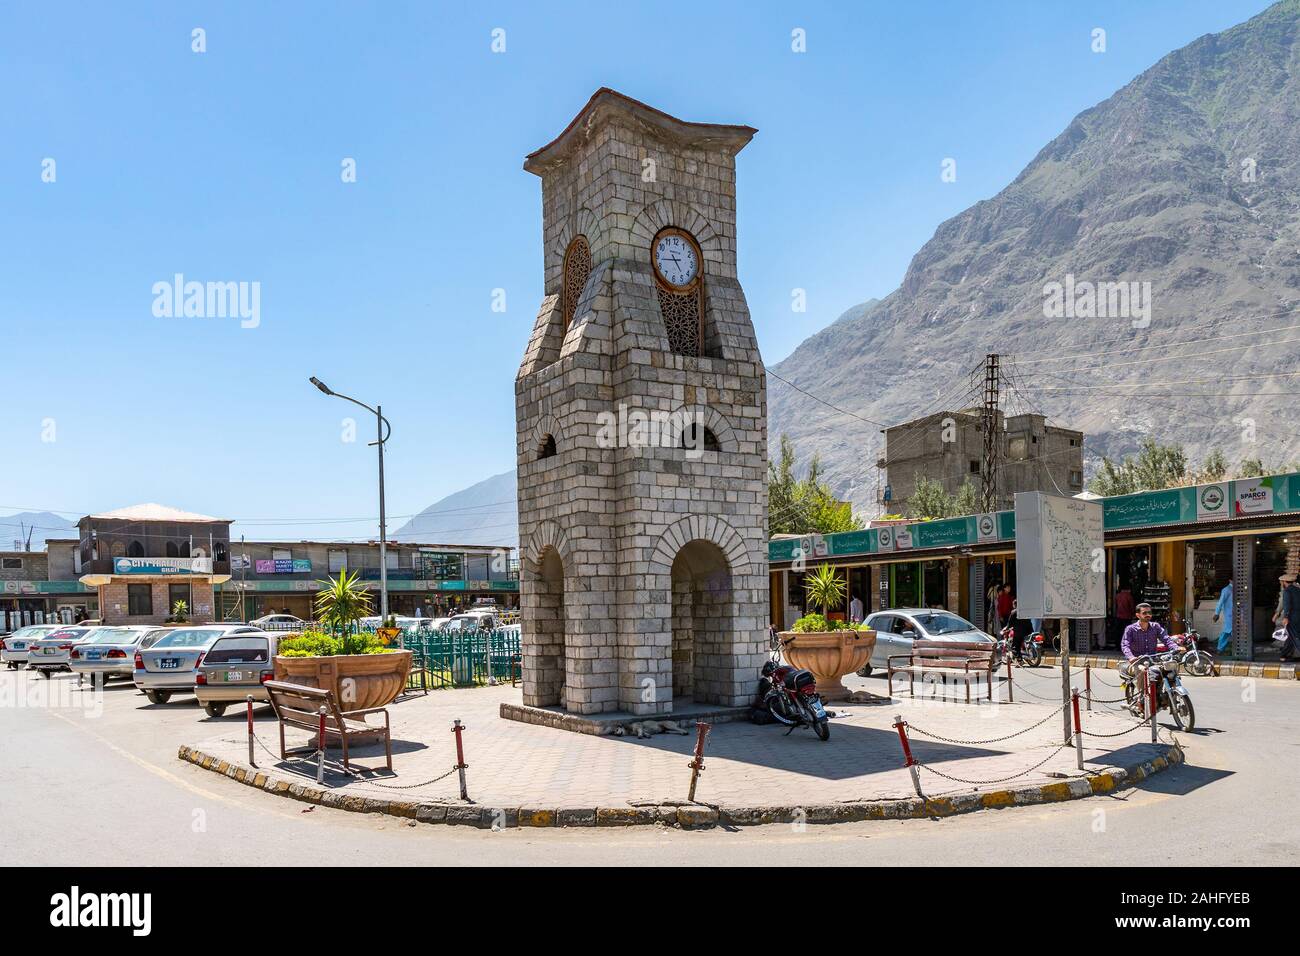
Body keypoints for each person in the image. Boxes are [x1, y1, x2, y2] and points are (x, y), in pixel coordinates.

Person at [1120, 602, 1167, 678]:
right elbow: (1125, 645)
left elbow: (1166, 639)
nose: (1148, 615)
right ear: (1138, 615)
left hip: (1152, 660)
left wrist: (1176, 648)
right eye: (1144, 613)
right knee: (1142, 671)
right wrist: (1131, 657)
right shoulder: (1130, 629)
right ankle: (1142, 690)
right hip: (1137, 662)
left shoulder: (1156, 626)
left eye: (1149, 612)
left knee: (1166, 671)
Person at [1279, 574, 1300, 662]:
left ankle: (1284, 654)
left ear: (1284, 582)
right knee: (1290, 636)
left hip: (1292, 617)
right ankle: (1283, 655)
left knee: (1295, 636)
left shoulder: (1287, 591)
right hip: (1298, 616)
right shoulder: (1298, 590)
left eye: (1282, 582)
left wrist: (1286, 617)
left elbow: (1287, 605)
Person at [1213, 579, 1233, 655]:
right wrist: (1216, 613)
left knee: (1229, 631)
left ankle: (1220, 648)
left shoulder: (1236, 589)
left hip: (1236, 614)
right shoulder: (1226, 590)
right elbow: (1220, 602)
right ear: (1230, 580)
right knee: (1227, 631)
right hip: (1229, 615)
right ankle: (1220, 649)